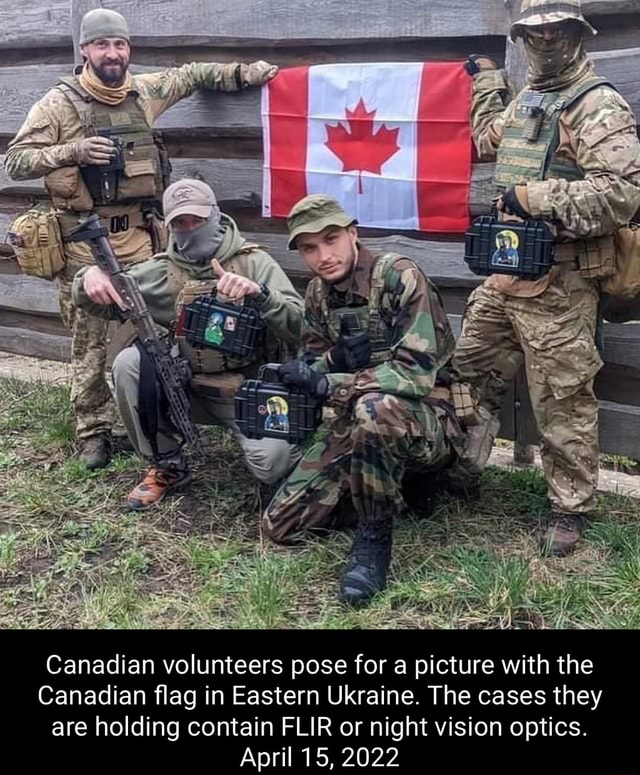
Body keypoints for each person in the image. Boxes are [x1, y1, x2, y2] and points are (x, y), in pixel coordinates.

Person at [4, 8, 278, 469]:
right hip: (82, 243)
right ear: (86, 50)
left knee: (155, 330)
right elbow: (15, 161)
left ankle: (155, 410)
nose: (112, 53)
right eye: (102, 45)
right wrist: (69, 150)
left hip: (142, 237)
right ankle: (93, 428)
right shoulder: (58, 104)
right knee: (89, 337)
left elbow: (191, 76)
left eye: (120, 44)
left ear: (128, 49)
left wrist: (243, 74)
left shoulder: (142, 90)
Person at [455, 0, 640, 555]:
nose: (547, 42)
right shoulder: (530, 100)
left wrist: (537, 197)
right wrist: (488, 82)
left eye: (558, 31)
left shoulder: (597, 105)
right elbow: (490, 138)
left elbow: (622, 194)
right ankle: (460, 469)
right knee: (469, 370)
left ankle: (570, 508)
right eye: (535, 34)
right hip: (509, 271)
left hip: (563, 282)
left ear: (578, 34)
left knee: (562, 399)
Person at [261, 195, 468, 607]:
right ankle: (400, 487)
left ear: (353, 234)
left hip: (428, 418)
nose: (324, 255)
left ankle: (374, 538)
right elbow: (315, 361)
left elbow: (416, 373)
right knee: (280, 526)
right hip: (358, 422)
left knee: (374, 408)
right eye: (309, 248)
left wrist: (333, 384)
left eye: (331, 239)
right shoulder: (318, 295)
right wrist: (326, 364)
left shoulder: (399, 278)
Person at [72, 179, 303, 510]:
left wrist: (261, 295)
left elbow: (302, 325)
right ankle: (166, 465)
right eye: (179, 222)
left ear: (216, 216)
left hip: (248, 391)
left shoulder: (254, 264)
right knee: (128, 364)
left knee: (272, 465)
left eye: (197, 220)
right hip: (186, 387)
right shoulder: (159, 271)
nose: (189, 228)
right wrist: (89, 276)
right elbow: (100, 300)